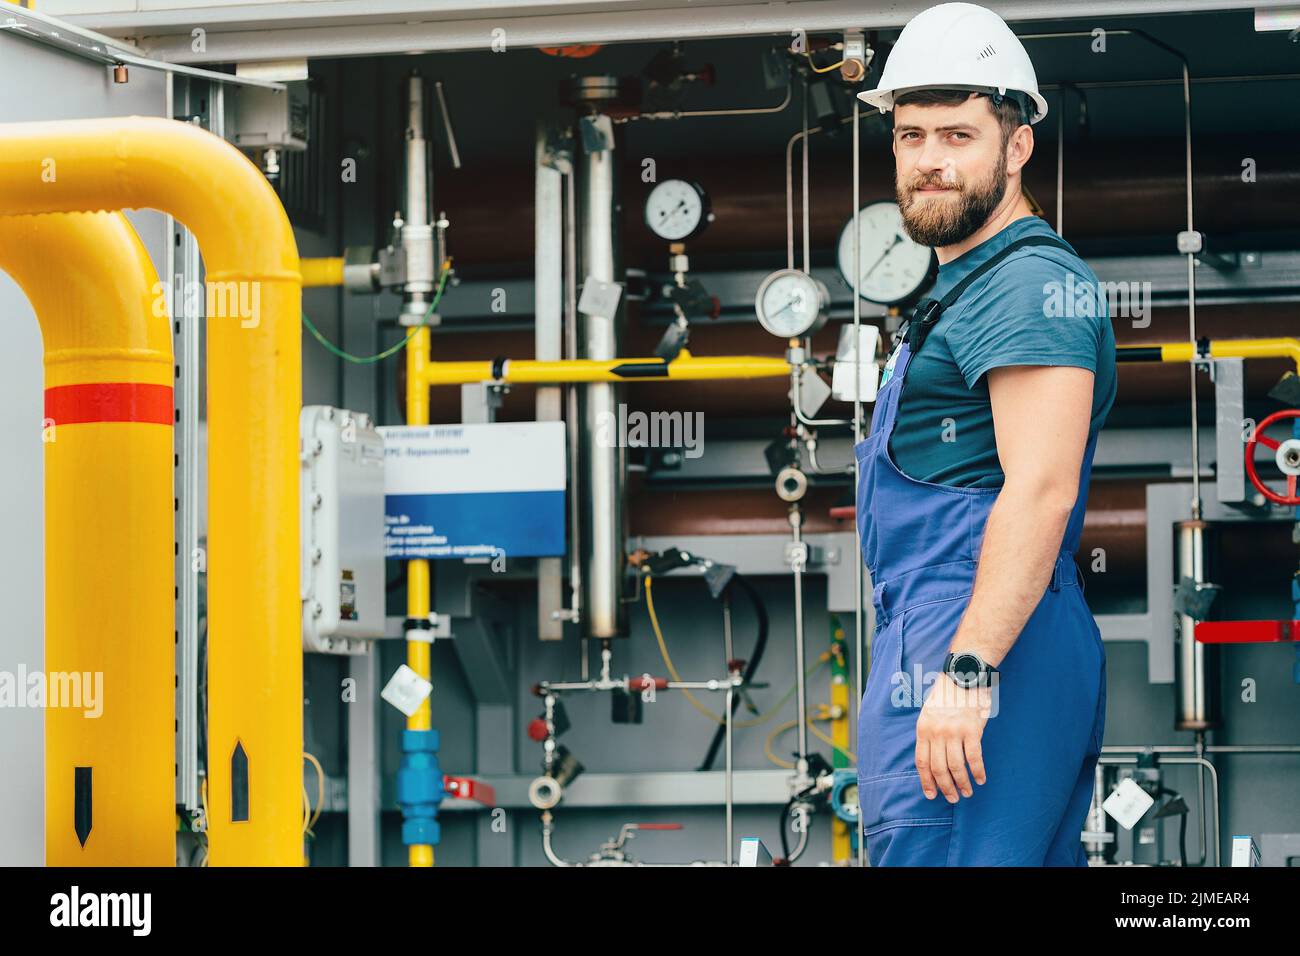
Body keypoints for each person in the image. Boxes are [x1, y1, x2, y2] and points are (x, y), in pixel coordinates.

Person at [853, 2, 1116, 865]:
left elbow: (1041, 489)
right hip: (958, 628)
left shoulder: (1027, 285)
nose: (929, 161)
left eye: (958, 136)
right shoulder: (968, 290)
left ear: (1016, 147)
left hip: (980, 634)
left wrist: (967, 672)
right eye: (911, 135)